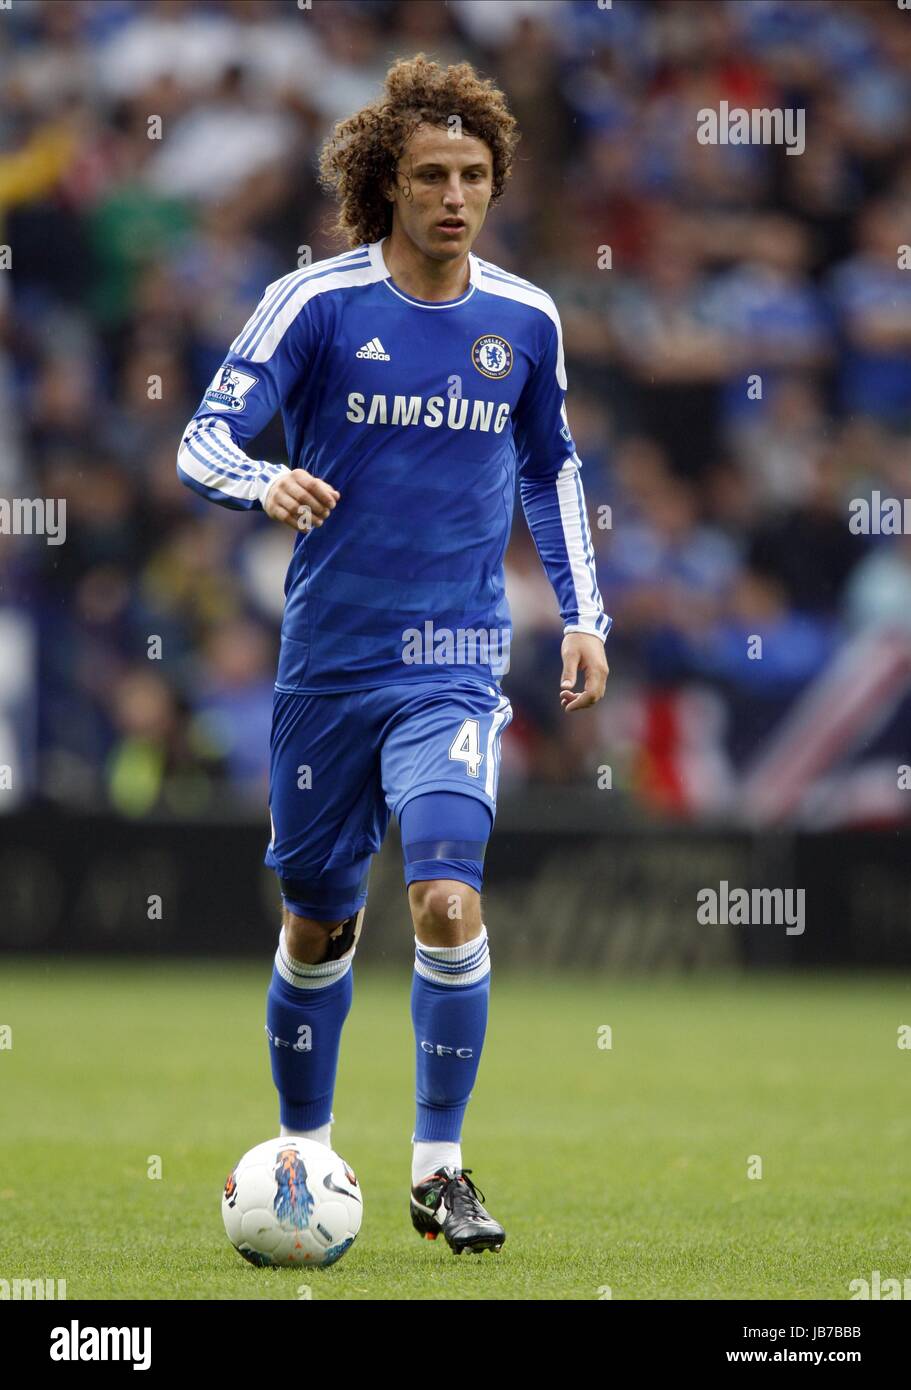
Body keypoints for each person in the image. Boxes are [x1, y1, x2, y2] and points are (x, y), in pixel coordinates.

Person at [177, 54, 610, 1255]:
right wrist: (265, 479)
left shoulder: (523, 318)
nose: (455, 195)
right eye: (430, 174)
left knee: (444, 890)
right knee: (316, 920)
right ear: (385, 183)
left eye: (474, 173)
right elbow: (201, 437)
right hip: (329, 662)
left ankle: (437, 1168)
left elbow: (551, 467)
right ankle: (303, 1153)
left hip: (455, 659)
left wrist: (583, 616)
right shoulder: (314, 303)